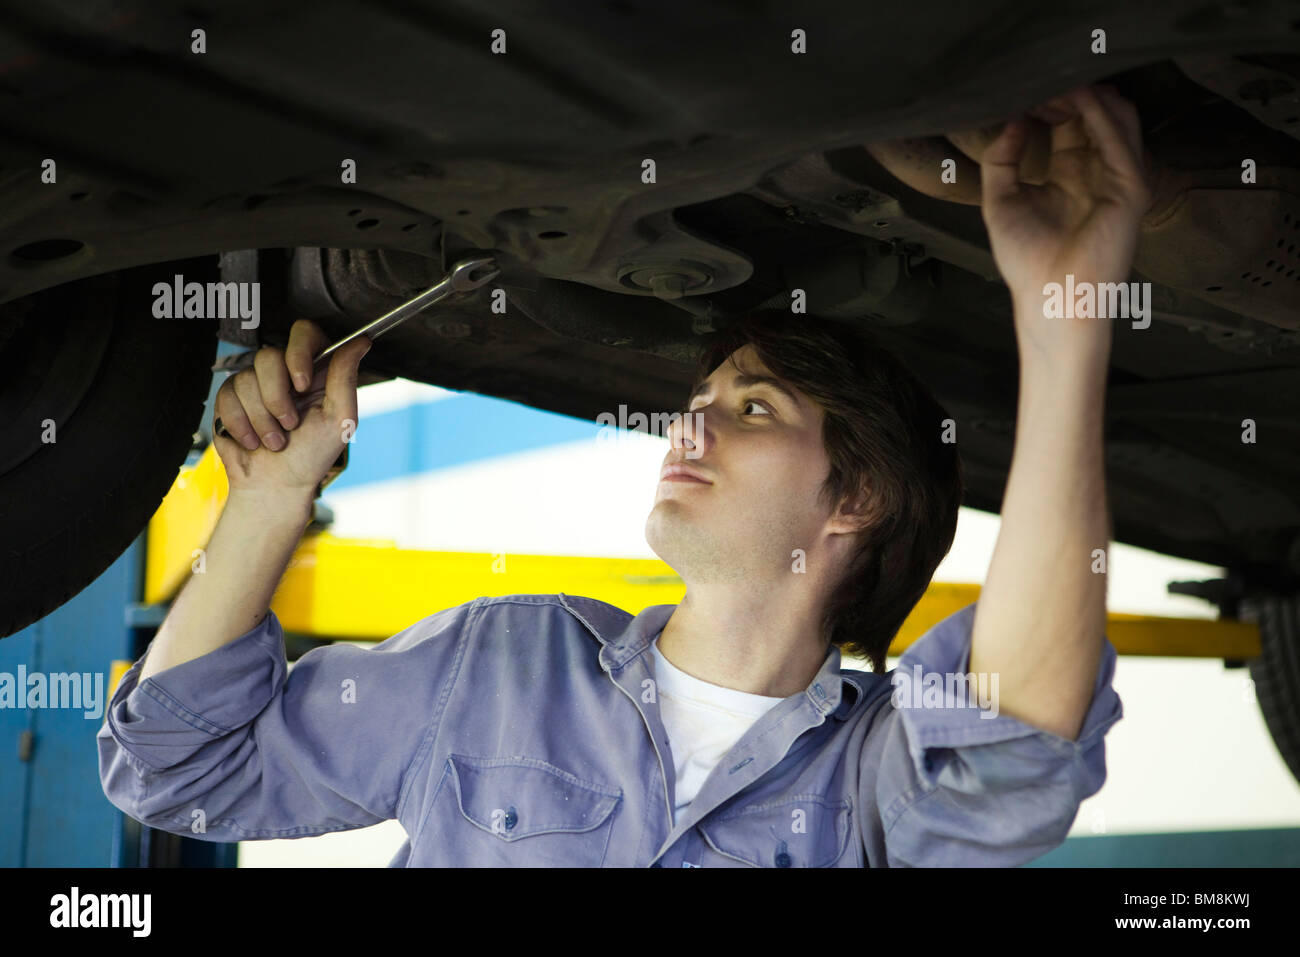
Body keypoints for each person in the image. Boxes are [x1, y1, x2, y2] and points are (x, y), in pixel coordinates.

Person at [98, 83, 1144, 866]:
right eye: (699, 404)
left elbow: (1017, 747)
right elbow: (179, 772)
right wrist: (267, 502)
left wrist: (1065, 316)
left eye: (753, 408)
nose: (691, 428)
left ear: (856, 499)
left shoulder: (870, 780)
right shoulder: (503, 662)